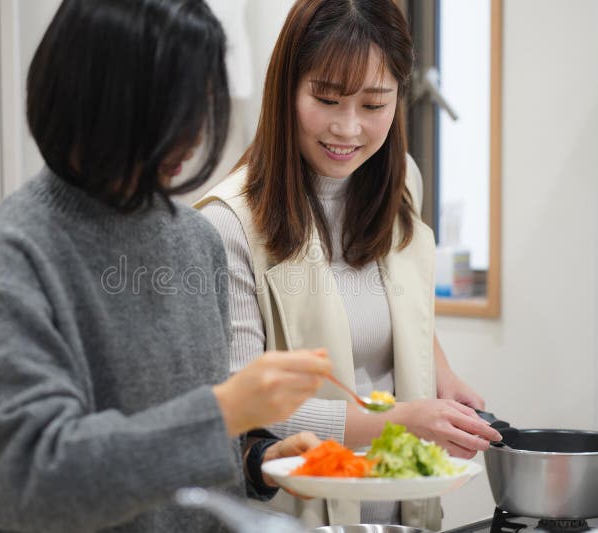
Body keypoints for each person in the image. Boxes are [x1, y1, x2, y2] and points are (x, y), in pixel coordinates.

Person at [0, 1, 333, 532]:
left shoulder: (195, 242)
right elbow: (29, 487)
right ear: (92, 99)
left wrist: (255, 460)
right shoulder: (13, 254)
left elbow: (175, 454)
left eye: (198, 106)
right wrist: (224, 411)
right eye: (168, 110)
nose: (189, 137)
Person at [197, 0, 502, 529]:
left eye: (374, 103)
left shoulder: (401, 181)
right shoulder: (228, 224)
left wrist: (441, 373)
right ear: (285, 89)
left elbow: (394, 305)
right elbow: (244, 403)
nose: (348, 128)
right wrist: (398, 423)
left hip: (401, 512)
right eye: (327, 98)